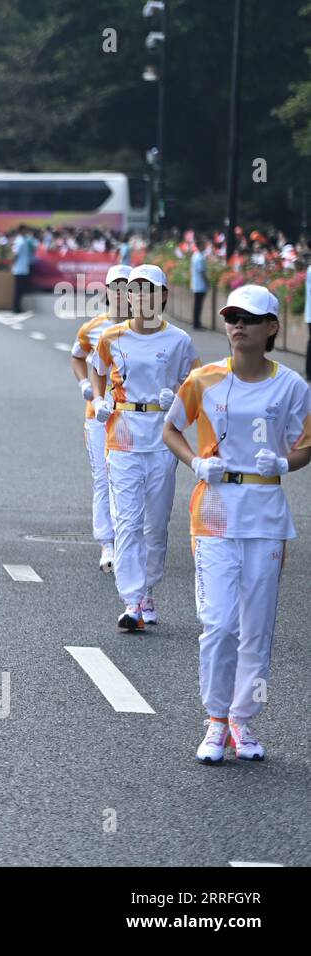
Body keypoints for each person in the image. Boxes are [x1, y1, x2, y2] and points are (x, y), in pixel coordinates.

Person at [163, 285, 311, 763]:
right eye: (232, 316)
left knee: (257, 626)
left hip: (265, 513)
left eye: (250, 317)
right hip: (215, 508)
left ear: (272, 327)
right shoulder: (204, 379)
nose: (237, 325)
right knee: (219, 622)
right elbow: (171, 428)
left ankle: (242, 721)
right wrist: (193, 463)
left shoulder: (292, 386)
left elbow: (308, 441)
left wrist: (286, 463)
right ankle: (215, 718)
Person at [89, 263, 199, 630]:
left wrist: (178, 402)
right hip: (122, 437)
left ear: (163, 296)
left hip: (162, 437)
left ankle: (149, 588)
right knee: (128, 521)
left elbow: (196, 384)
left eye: (150, 290)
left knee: (155, 523)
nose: (141, 296)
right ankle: (132, 600)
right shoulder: (112, 336)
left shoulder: (179, 341)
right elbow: (96, 368)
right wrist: (101, 399)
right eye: (135, 290)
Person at [69, 264, 132, 572]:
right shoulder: (93, 328)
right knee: (102, 478)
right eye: (115, 287)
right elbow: (77, 356)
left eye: (126, 287)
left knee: (129, 480)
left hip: (132, 417)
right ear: (107, 291)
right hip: (98, 414)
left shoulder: (145, 330)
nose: (120, 293)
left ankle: (130, 540)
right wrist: (85, 385)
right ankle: (107, 544)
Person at [11, 226, 37, 314]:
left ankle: (18, 307)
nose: (26, 232)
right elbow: (15, 254)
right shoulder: (19, 241)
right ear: (21, 231)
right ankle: (16, 307)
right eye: (25, 230)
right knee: (18, 290)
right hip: (19, 268)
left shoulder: (24, 240)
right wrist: (13, 263)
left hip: (23, 268)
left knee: (21, 289)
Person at [190, 239, 209, 329]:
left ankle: (195, 322)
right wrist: (207, 282)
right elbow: (202, 271)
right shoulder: (200, 257)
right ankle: (196, 323)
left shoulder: (195, 255)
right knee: (198, 304)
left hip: (196, 283)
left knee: (197, 304)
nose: (205, 246)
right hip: (200, 284)